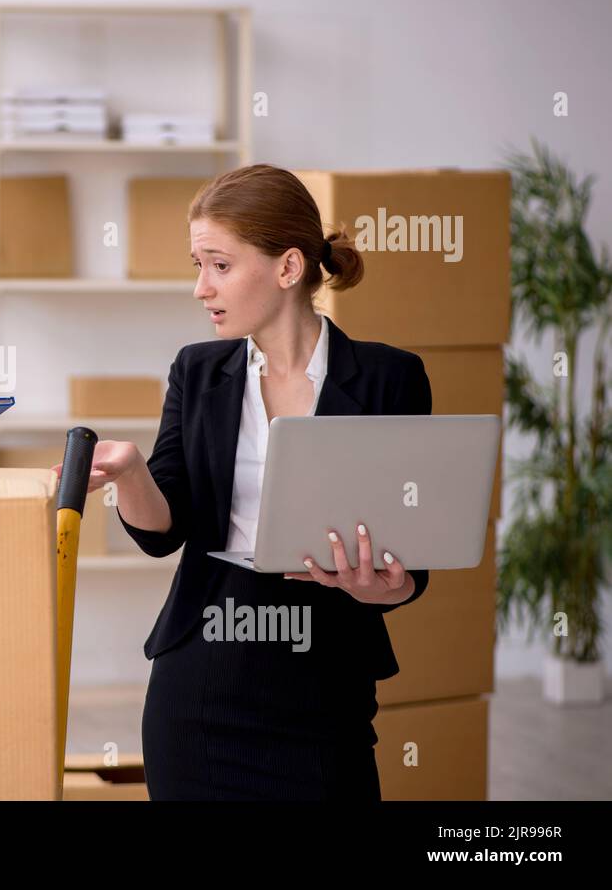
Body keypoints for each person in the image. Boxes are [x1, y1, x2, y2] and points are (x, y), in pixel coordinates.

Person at [59, 164, 433, 799]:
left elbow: (412, 555)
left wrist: (386, 587)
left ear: (288, 268)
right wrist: (130, 474)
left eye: (220, 265)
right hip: (201, 682)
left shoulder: (389, 379)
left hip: (325, 693)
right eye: (197, 265)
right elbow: (164, 529)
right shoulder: (197, 371)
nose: (202, 288)